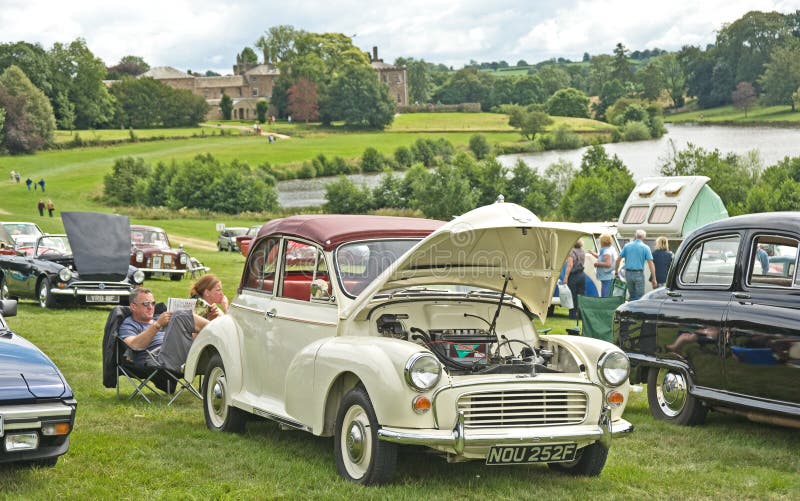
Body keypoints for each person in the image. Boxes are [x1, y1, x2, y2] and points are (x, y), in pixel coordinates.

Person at [119, 288, 209, 375]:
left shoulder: (160, 318)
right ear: (133, 306)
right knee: (179, 316)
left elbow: (189, 337)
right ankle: (218, 329)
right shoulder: (129, 324)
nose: (150, 307)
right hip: (157, 360)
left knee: (185, 319)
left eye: (153, 303)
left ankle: (216, 327)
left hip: (186, 354)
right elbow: (132, 345)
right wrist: (157, 325)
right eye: (146, 304)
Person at [615, 229, 657, 301]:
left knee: (632, 295)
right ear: (644, 237)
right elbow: (651, 264)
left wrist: (616, 271)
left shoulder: (627, 246)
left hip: (628, 273)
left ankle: (631, 311)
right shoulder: (645, 247)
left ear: (635, 236)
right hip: (639, 274)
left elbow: (618, 259)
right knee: (640, 297)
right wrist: (654, 278)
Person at [563, 239, 586, 319]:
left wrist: (566, 277)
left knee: (572, 295)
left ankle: (572, 315)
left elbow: (570, 265)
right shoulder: (583, 252)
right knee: (581, 295)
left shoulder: (571, 252)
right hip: (582, 275)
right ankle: (580, 314)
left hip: (573, 276)